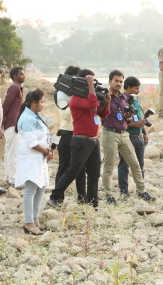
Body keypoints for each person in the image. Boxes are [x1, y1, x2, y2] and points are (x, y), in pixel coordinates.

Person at [48, 69, 111, 208]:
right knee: (73, 170)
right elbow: (92, 104)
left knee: (94, 173)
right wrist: (89, 86)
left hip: (93, 139)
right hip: (81, 139)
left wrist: (107, 102)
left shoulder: (90, 96)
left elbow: (103, 114)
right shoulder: (75, 99)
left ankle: (92, 202)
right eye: (90, 82)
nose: (93, 85)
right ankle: (55, 196)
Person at [100, 70, 155, 204]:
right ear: (110, 81)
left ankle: (141, 191)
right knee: (109, 165)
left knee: (135, 163)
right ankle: (109, 196)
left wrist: (128, 116)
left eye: (120, 81)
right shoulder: (103, 96)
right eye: (116, 81)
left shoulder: (123, 98)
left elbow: (125, 117)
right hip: (110, 133)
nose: (118, 84)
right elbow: (102, 114)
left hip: (124, 134)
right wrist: (107, 100)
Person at [15, 88, 52, 235]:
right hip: (30, 156)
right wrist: (47, 152)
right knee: (31, 188)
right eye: (42, 102)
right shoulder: (27, 119)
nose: (44, 104)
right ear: (34, 103)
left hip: (39, 157)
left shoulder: (35, 115)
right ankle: (29, 222)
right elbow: (31, 143)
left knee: (41, 186)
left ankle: (35, 218)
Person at [54, 65, 87, 202]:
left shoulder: (74, 94)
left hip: (79, 133)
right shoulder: (61, 93)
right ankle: (57, 197)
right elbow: (66, 114)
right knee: (64, 167)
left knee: (81, 168)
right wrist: (76, 96)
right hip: (67, 133)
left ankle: (82, 197)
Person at [118, 77, 149, 197]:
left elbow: (140, 118)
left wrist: (144, 132)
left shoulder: (136, 100)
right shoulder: (121, 101)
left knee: (139, 165)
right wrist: (134, 125)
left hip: (139, 136)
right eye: (136, 88)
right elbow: (120, 122)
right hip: (127, 137)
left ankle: (141, 191)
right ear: (129, 88)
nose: (137, 91)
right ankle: (123, 191)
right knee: (124, 165)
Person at [2, 66, 25, 186]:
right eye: (21, 74)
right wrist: (2, 120)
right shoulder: (14, 87)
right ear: (15, 76)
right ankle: (12, 179)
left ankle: (9, 177)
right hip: (11, 123)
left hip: (13, 123)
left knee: (9, 151)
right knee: (12, 152)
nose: (23, 76)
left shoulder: (18, 88)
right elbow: (6, 105)